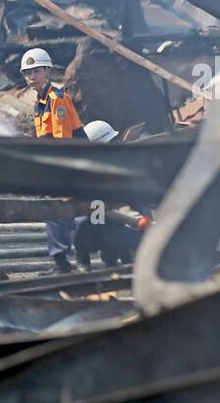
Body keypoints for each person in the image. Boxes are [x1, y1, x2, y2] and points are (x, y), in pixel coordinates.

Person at [21, 48, 86, 273]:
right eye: (27, 73)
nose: (31, 77)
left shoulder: (56, 100)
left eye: (36, 72)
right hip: (61, 162)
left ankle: (69, 262)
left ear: (47, 72)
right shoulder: (40, 102)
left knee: (61, 211)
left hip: (71, 161)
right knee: (60, 212)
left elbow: (62, 139)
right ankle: (64, 262)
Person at [73, 119, 149, 269]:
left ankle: (121, 256)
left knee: (126, 232)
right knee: (90, 226)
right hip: (96, 213)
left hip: (118, 212)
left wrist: (144, 213)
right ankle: (85, 261)